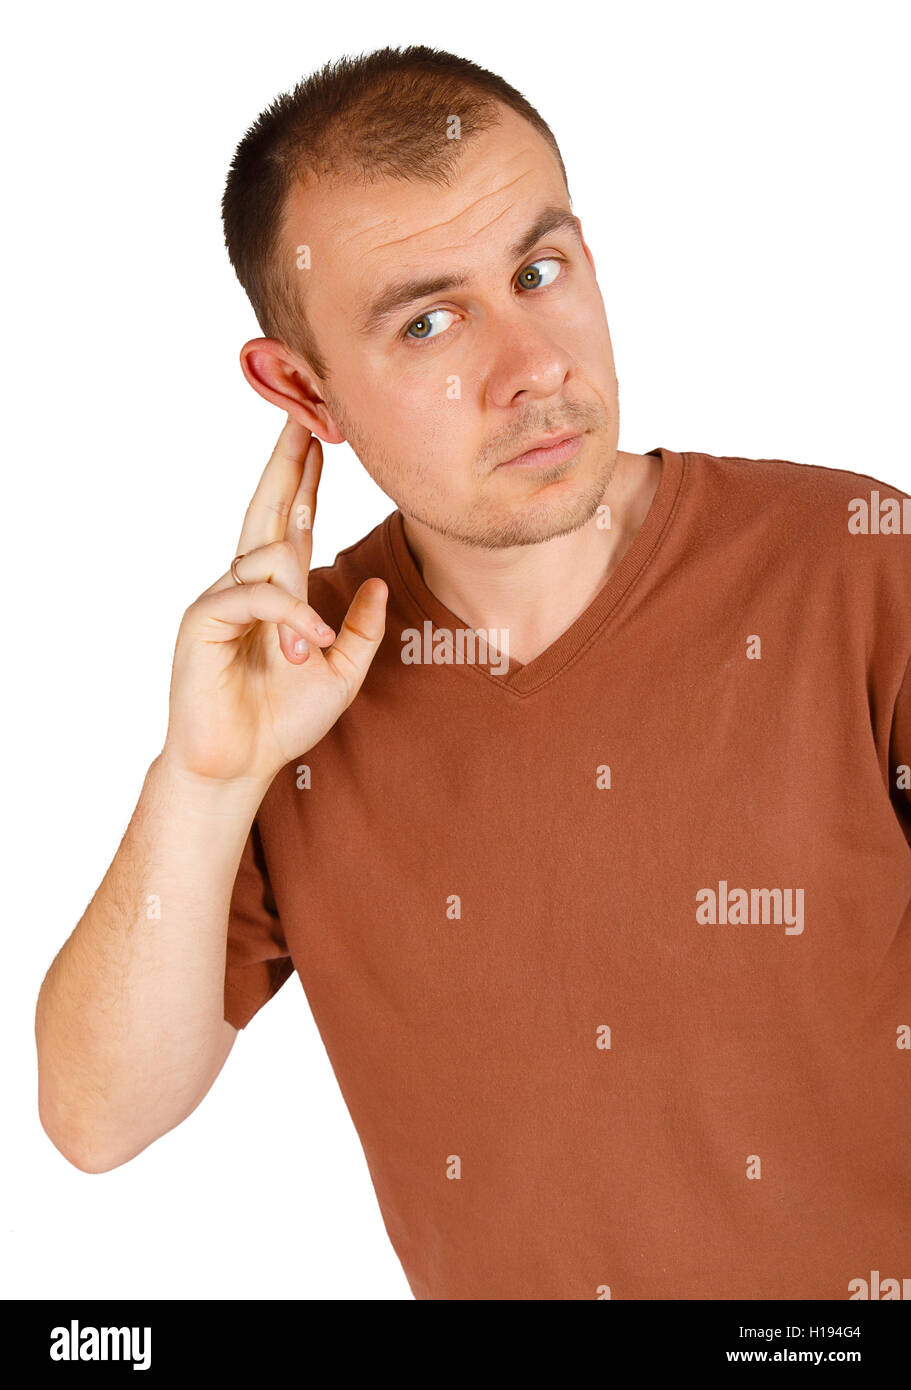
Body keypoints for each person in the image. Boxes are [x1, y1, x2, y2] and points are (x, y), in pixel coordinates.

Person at [35, 45, 911, 1301]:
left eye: (537, 272)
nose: (533, 366)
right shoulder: (296, 679)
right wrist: (204, 776)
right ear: (301, 389)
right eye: (429, 320)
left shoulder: (857, 564)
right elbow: (94, 1118)